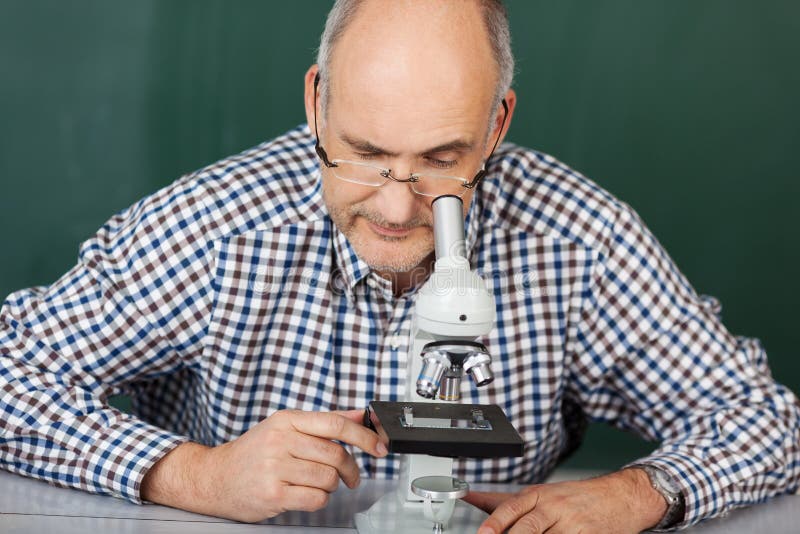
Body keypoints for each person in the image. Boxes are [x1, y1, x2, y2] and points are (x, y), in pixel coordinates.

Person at [1, 1, 798, 532]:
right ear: (317, 104)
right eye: (365, 154)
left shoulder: (579, 239)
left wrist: (637, 494)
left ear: (497, 126)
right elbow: (10, 376)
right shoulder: (213, 229)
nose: (394, 207)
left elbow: (766, 421)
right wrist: (193, 475)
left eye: (443, 160)